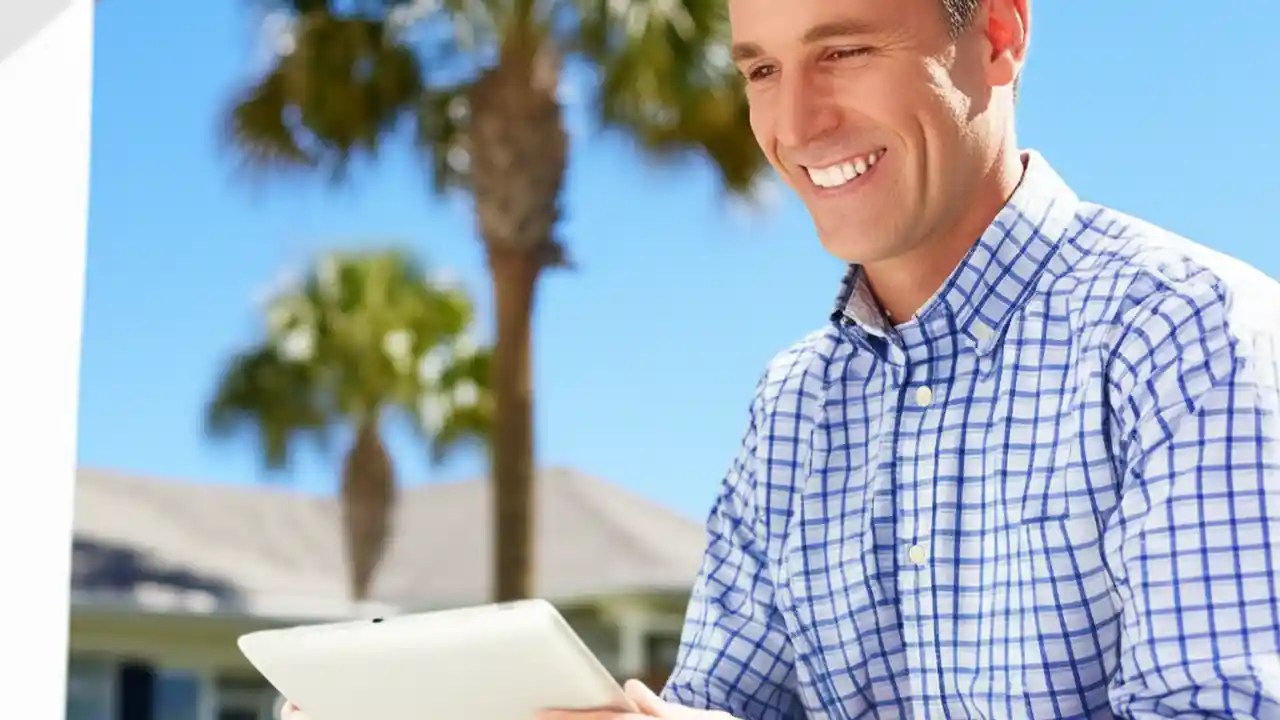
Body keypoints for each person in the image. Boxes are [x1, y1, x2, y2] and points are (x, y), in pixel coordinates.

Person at [284, 0, 1280, 718]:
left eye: (840, 50)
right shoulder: (795, 405)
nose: (794, 126)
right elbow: (725, 704)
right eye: (758, 69)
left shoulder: (1184, 335)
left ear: (996, 36)